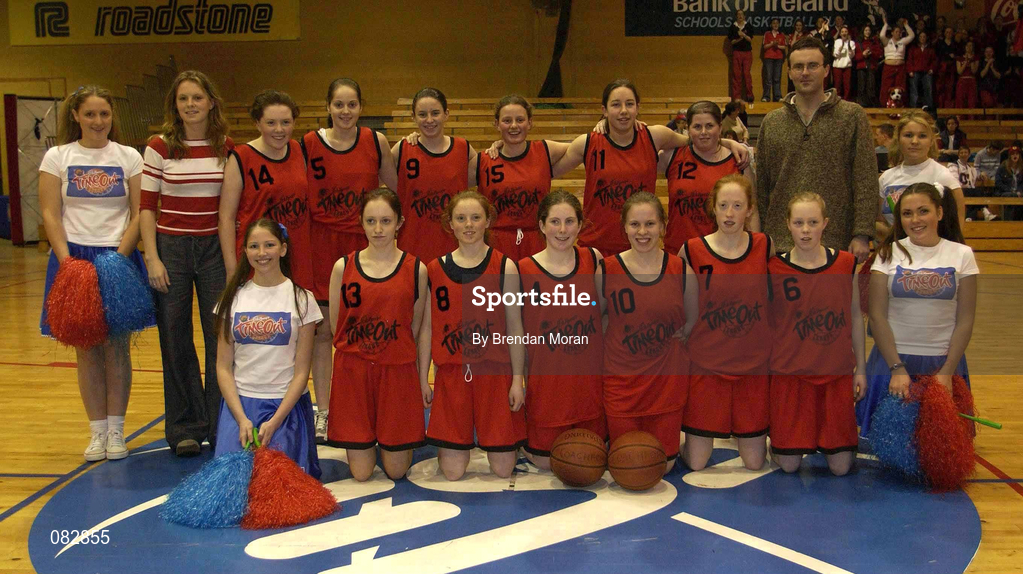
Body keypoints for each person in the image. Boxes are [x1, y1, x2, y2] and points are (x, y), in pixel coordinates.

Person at [39, 85, 151, 462]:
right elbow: (51, 213)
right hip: (73, 257)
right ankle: (97, 432)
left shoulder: (129, 156)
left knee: (116, 346)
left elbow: (140, 212)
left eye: (104, 114)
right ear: (76, 116)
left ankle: (117, 430)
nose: (98, 121)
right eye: (90, 114)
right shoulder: (58, 157)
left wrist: (119, 259)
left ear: (111, 116)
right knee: (85, 347)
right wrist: (67, 262)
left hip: (118, 255)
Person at [140, 71, 233, 457]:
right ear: (174, 106)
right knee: (174, 336)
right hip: (171, 249)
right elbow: (146, 208)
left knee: (219, 338)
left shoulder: (227, 147)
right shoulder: (159, 147)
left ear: (211, 102)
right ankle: (184, 428)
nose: (191, 104)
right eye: (183, 99)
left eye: (197, 97)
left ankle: (219, 424)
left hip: (214, 249)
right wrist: (152, 257)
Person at [300, 78, 398, 442]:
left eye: (352, 104)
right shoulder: (308, 144)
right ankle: (325, 410)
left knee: (368, 328)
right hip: (322, 243)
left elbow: (394, 191)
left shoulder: (375, 141)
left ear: (361, 107)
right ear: (328, 107)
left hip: (364, 243)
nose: (345, 111)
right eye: (339, 104)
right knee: (323, 331)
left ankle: (372, 406)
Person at [550, 79, 748, 255]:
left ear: (637, 108)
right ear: (604, 110)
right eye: (616, 105)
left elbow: (696, 139)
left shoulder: (655, 136)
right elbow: (552, 170)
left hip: (640, 245)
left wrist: (728, 142)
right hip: (596, 247)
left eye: (629, 104)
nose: (623, 111)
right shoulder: (588, 143)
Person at [856, 183, 977, 436]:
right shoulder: (887, 253)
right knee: (888, 446)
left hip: (942, 362)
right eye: (907, 213)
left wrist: (946, 372)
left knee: (938, 445)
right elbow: (877, 317)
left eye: (923, 211)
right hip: (891, 360)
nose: (915, 220)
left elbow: (965, 320)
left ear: (939, 213)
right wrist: (896, 368)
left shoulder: (962, 254)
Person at [326, 188, 427, 480]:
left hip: (397, 372)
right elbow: (336, 325)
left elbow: (414, 327)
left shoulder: (417, 269)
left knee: (396, 471)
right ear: (361, 222)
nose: (378, 229)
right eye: (371, 221)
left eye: (386, 221)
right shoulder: (343, 267)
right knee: (360, 473)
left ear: (399, 223)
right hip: (353, 373)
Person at [423, 191, 526, 479]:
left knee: (503, 470)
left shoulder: (505, 266)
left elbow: (515, 327)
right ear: (450, 224)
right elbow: (427, 329)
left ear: (487, 221)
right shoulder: (434, 269)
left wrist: (517, 380)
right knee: (452, 472)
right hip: (452, 374)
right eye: (461, 218)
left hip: (495, 373)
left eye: (475, 217)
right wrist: (422, 379)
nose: (468, 224)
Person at [213, 218, 321, 476]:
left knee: (281, 489)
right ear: (245, 251)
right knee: (234, 487)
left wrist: (276, 421)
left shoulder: (303, 299)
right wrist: (241, 418)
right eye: (254, 246)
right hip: (240, 407)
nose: (261, 253)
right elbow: (223, 367)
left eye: (269, 245)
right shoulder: (232, 298)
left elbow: (301, 372)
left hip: (285, 408)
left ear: (283, 249)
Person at [768, 192, 866, 476]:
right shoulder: (773, 268)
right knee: (789, 466)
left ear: (825, 223)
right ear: (788, 224)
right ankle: (776, 441)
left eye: (813, 222)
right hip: (791, 375)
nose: (806, 230)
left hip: (834, 375)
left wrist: (860, 368)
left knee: (841, 468)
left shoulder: (845, 264)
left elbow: (855, 316)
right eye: (798, 222)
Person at [756, 36, 877, 262]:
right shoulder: (772, 122)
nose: (805, 73)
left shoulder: (852, 116)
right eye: (798, 67)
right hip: (781, 243)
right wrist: (763, 237)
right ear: (789, 72)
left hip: (837, 241)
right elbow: (762, 185)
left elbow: (865, 178)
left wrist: (862, 233)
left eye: (813, 65)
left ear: (826, 70)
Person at [681, 175, 772, 471]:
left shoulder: (764, 246)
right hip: (707, 364)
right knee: (697, 463)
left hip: (752, 365)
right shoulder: (691, 250)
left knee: (754, 462)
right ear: (713, 208)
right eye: (723, 205)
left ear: (750, 210)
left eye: (737, 206)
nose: (729, 213)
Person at [600, 191, 696, 473]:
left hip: (666, 385)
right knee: (627, 463)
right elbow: (594, 314)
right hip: (622, 384)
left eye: (650, 224)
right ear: (624, 227)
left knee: (662, 465)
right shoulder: (606, 270)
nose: (642, 232)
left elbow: (693, 321)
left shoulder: (681, 270)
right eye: (635, 224)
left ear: (663, 226)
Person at [517, 191, 605, 469]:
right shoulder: (522, 270)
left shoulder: (594, 259)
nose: (563, 230)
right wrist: (518, 380)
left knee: (591, 458)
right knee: (546, 463)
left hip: (589, 388)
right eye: (555, 222)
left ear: (580, 225)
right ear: (542, 225)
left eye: (570, 221)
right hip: (547, 390)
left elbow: (606, 317)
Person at [218, 90, 312, 290]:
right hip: (259, 258)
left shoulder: (298, 150)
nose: (279, 129)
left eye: (286, 122)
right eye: (271, 123)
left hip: (297, 255)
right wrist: (231, 269)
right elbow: (226, 218)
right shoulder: (241, 157)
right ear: (257, 123)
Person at [476, 95, 572, 260]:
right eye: (507, 120)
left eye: (520, 120)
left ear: (530, 123)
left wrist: (604, 124)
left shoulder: (544, 150)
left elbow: (585, 147)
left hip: (537, 240)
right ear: (497, 124)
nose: (514, 125)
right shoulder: (484, 160)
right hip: (496, 242)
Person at [393, 88, 478, 263]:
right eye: (422, 114)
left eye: (435, 113)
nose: (429, 120)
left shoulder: (463, 149)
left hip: (455, 248)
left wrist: (498, 146)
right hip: (412, 246)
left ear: (446, 114)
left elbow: (494, 165)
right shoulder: (402, 149)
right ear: (413, 117)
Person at [661, 101, 743, 254]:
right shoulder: (672, 156)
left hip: (723, 254)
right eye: (697, 127)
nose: (704, 132)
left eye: (710, 126)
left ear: (720, 127)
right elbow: (641, 151)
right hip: (677, 253)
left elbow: (752, 210)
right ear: (688, 129)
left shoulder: (738, 160)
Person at [878, 110, 965, 237]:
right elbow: (880, 222)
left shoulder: (944, 176)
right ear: (898, 139)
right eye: (908, 135)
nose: (914, 141)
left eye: (922, 136)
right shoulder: (886, 178)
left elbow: (956, 228)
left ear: (931, 141)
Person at [879, 19, 916, 107]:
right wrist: (886, 24)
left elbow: (912, 36)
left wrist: (906, 25)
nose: (898, 33)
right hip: (889, 67)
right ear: (892, 33)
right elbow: (881, 35)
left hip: (900, 67)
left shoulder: (902, 42)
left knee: (900, 86)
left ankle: (900, 105)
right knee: (886, 86)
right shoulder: (887, 41)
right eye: (896, 32)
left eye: (900, 32)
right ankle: (885, 105)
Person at [728, 9, 755, 103]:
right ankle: (736, 98)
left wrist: (743, 34)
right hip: (737, 52)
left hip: (747, 53)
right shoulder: (733, 27)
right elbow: (732, 42)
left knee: (747, 75)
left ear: (744, 16)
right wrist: (740, 38)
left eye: (741, 14)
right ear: (736, 16)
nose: (740, 16)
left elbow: (750, 39)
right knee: (736, 75)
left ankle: (749, 96)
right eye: (738, 14)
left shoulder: (748, 26)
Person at [854, 25, 883, 107]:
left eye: (869, 30)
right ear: (863, 32)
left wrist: (871, 53)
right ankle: (862, 105)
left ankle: (871, 105)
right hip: (861, 67)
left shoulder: (874, 42)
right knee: (861, 87)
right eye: (866, 30)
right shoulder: (858, 43)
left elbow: (879, 54)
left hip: (871, 66)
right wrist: (863, 55)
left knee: (871, 87)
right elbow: (855, 57)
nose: (867, 32)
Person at [907, 31, 937, 109]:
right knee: (914, 90)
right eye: (921, 36)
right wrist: (910, 70)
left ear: (926, 38)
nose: (922, 38)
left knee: (928, 89)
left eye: (924, 37)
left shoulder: (930, 49)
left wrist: (932, 69)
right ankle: (913, 107)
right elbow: (909, 60)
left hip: (926, 71)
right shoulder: (913, 48)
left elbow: (934, 60)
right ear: (918, 38)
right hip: (915, 71)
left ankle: (929, 107)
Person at [762, 18, 787, 102]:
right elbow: (765, 46)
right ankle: (766, 97)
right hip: (769, 58)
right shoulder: (767, 34)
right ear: (771, 25)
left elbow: (784, 47)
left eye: (777, 23)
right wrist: (772, 44)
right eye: (774, 23)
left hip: (778, 58)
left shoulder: (781, 35)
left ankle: (777, 96)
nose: (775, 25)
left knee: (777, 78)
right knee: (768, 78)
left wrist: (777, 46)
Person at [995, 145, 1023, 220]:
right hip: (1005, 192)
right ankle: (1008, 220)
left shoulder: (1022, 167)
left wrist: (1020, 191)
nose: (1015, 156)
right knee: (1011, 196)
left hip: (1019, 192)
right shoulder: (1003, 167)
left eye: (1017, 154)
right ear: (1009, 156)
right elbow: (998, 183)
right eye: (1013, 154)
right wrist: (1012, 191)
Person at [935, 27, 960, 108]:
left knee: (950, 88)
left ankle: (948, 107)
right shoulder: (939, 43)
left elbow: (958, 56)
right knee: (940, 88)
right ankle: (940, 106)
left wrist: (954, 56)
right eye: (947, 32)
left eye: (950, 32)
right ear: (944, 33)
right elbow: (937, 55)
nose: (948, 34)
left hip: (952, 69)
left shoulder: (955, 44)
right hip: (941, 68)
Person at [832, 26, 857, 101]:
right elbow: (835, 55)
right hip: (837, 66)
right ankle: (837, 101)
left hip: (847, 66)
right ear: (840, 34)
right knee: (837, 85)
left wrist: (848, 45)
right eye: (842, 32)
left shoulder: (851, 42)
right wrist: (842, 46)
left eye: (845, 32)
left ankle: (846, 100)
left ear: (848, 33)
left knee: (847, 85)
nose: (844, 33)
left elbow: (852, 55)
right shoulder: (837, 41)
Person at [955, 40, 980, 109]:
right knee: (960, 101)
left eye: (971, 45)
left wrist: (971, 60)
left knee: (972, 101)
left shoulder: (976, 58)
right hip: (962, 81)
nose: (969, 47)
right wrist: (966, 61)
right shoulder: (959, 58)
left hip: (971, 81)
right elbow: (959, 71)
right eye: (967, 45)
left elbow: (974, 71)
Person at [788, 20, 809, 94]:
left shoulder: (806, 36)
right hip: (794, 59)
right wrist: (795, 35)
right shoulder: (791, 35)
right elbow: (792, 45)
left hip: (804, 58)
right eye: (797, 25)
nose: (798, 27)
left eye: (800, 25)